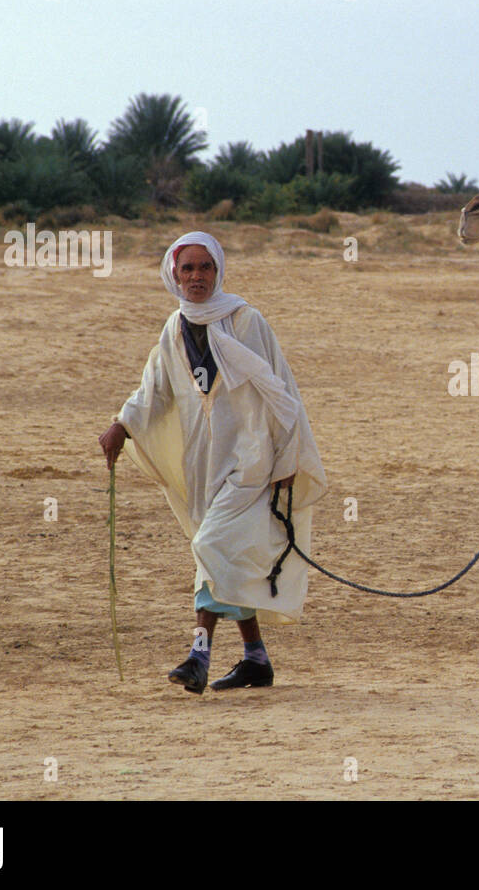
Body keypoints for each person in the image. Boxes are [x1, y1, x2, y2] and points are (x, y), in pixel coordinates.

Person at [99, 232, 326, 694]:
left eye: (205, 268)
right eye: (188, 269)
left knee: (211, 545)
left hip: (252, 459)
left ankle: (199, 653)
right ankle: (256, 659)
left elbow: (282, 391)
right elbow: (153, 391)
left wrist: (287, 455)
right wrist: (121, 426)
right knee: (226, 553)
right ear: (174, 274)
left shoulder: (246, 320)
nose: (197, 277)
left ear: (218, 272)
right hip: (203, 460)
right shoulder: (173, 329)